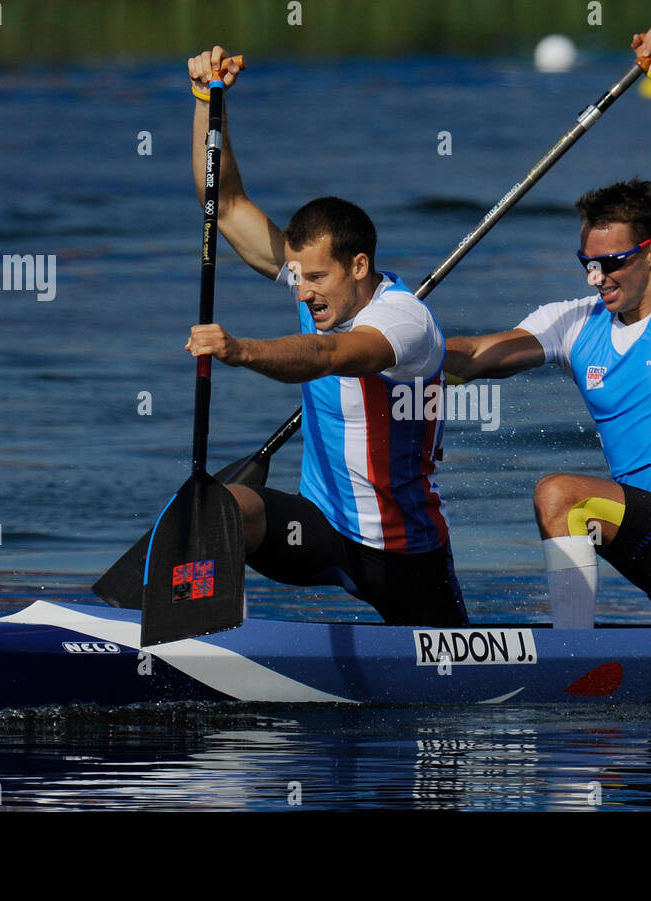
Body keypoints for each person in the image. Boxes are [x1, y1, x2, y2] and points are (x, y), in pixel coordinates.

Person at [444, 27, 651, 628]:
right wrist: (373, 347)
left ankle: (571, 653)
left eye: (612, 262)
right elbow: (468, 358)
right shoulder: (574, 324)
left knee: (559, 494)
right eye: (587, 264)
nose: (597, 278)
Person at [184, 47, 466, 626]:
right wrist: (207, 100)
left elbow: (328, 354)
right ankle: (193, 631)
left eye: (316, 278)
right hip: (318, 530)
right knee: (227, 507)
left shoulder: (403, 321)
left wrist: (240, 350)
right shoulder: (314, 284)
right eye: (297, 275)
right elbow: (227, 205)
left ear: (359, 267)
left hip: (403, 552)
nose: (302, 291)